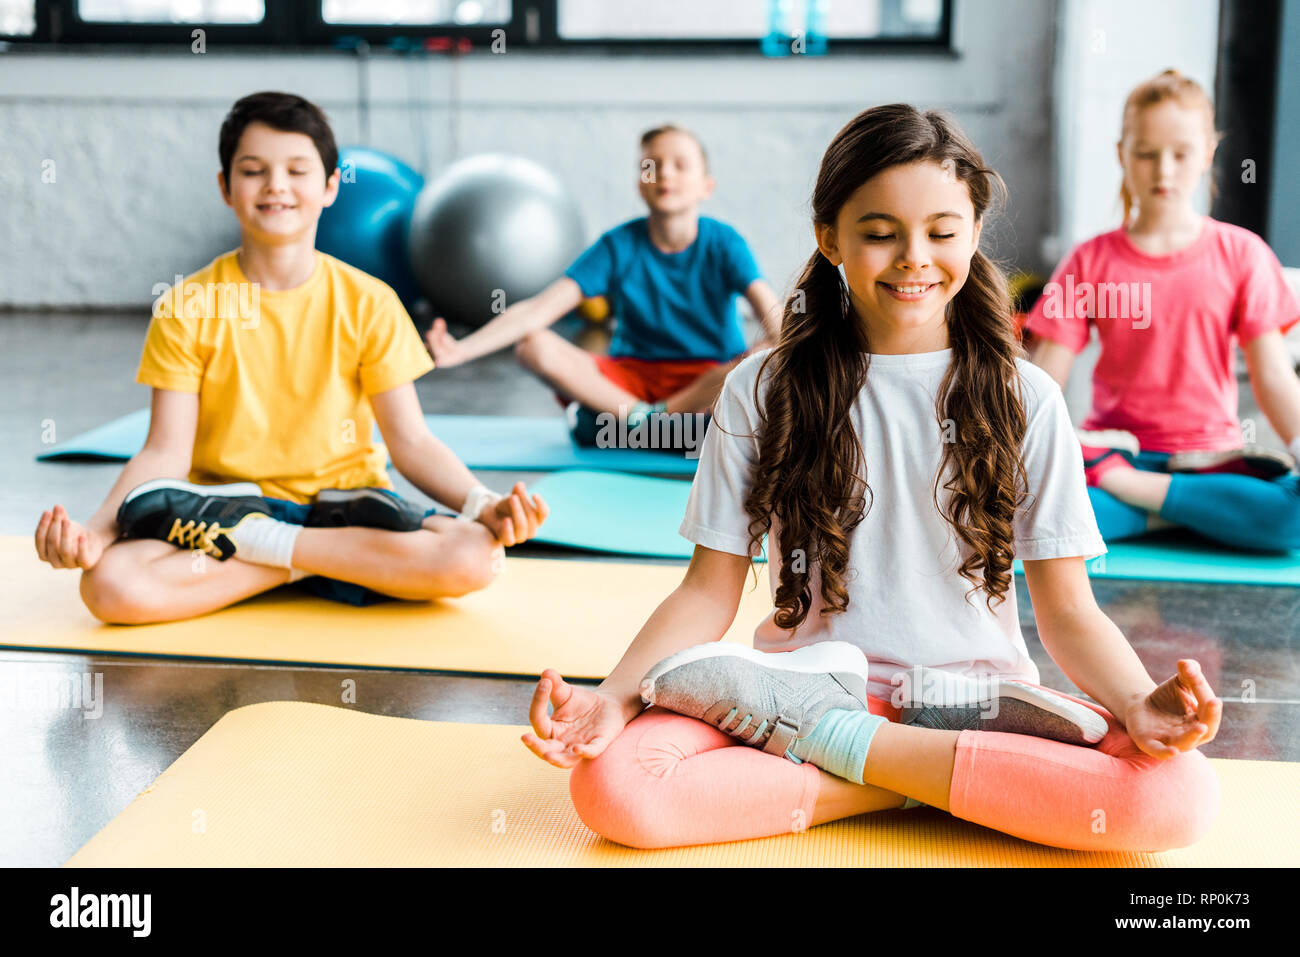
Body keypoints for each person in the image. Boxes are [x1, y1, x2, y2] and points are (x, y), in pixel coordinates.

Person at [522, 104, 1221, 852]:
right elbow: (708, 586)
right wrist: (612, 697)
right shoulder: (760, 386)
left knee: (1175, 796)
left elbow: (1069, 612)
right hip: (805, 680)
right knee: (614, 785)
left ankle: (841, 746)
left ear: (975, 233)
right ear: (830, 239)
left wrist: (1136, 701)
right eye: (881, 233)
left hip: (977, 700)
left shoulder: (1028, 397)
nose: (914, 257)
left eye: (942, 233)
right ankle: (943, 779)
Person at [34, 91, 548, 624]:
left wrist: (480, 503)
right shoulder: (187, 305)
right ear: (225, 188)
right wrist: (96, 531)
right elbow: (165, 451)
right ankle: (332, 564)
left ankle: (270, 550)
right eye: (254, 170)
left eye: (296, 170)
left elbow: (412, 443)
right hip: (225, 511)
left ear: (330, 187)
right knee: (109, 587)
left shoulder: (370, 301)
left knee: (477, 555)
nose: (276, 185)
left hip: (348, 510)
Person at [1026, 69, 1300, 550]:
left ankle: (1140, 498)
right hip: (1119, 449)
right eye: (1146, 154)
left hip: (1213, 463)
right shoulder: (1089, 259)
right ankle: (1199, 517)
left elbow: (1275, 377)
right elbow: (1043, 381)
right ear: (1121, 155)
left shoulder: (1244, 254)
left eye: (1180, 154)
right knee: (1024, 516)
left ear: (1209, 153)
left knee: (1291, 518)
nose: (1164, 171)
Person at [424, 124, 783, 446]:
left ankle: (637, 428)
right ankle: (663, 429)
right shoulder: (619, 244)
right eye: (651, 165)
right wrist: (464, 349)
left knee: (764, 355)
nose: (664, 174)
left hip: (708, 380)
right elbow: (538, 310)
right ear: (638, 181)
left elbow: (771, 313)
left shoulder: (725, 243)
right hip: (632, 384)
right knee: (532, 346)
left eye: (680, 165)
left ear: (707, 186)